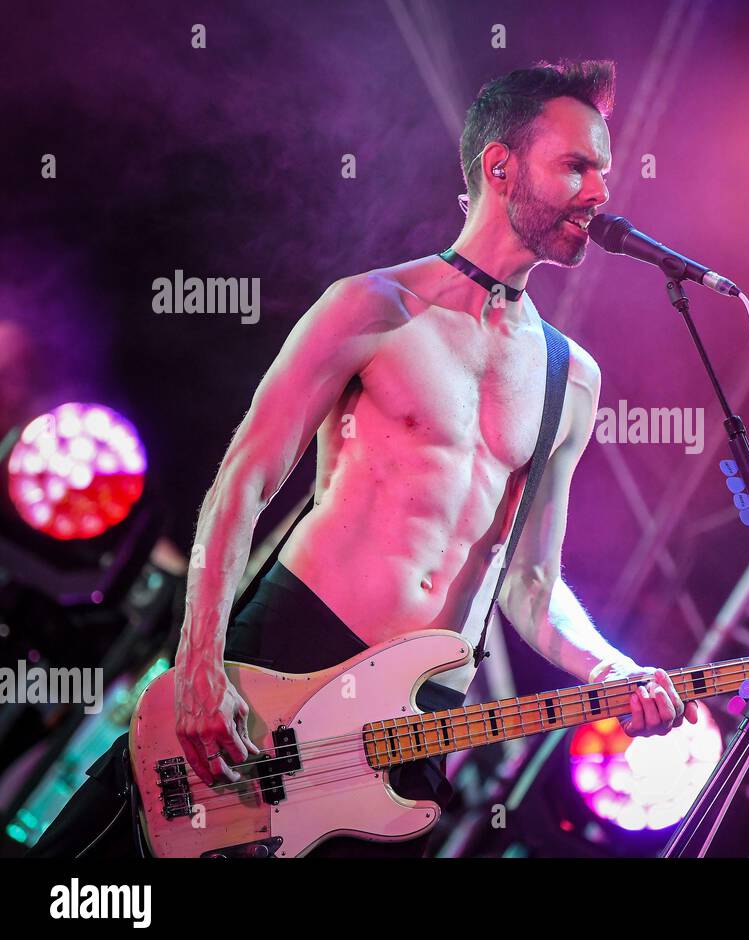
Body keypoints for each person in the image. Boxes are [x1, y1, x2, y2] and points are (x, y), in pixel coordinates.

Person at [29, 58, 697, 858]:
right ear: (501, 166)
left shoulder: (571, 379)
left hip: (417, 722)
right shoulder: (373, 305)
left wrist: (608, 668)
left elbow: (530, 585)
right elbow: (242, 483)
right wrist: (199, 661)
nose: (600, 192)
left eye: (605, 171)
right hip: (289, 655)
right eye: (577, 165)